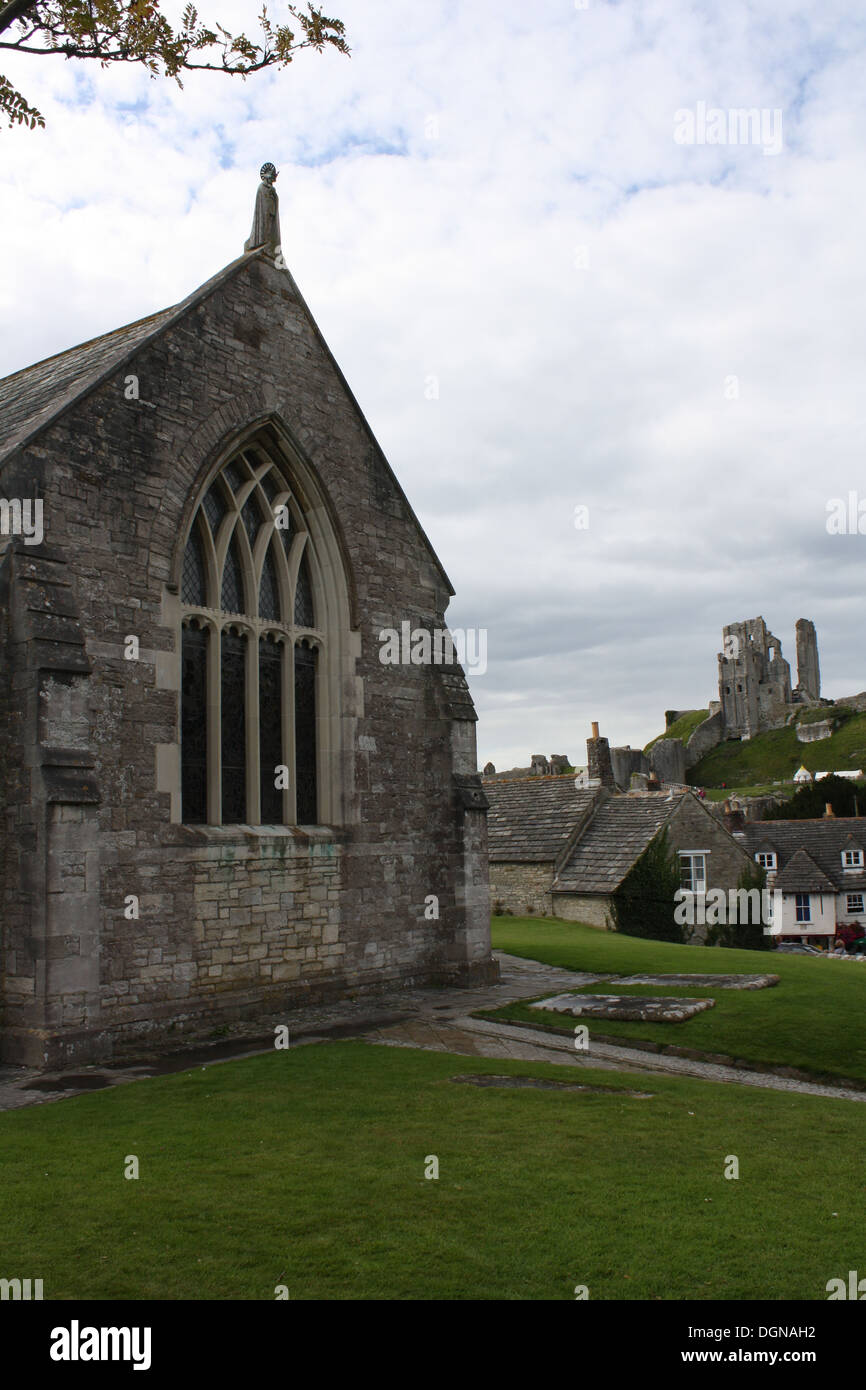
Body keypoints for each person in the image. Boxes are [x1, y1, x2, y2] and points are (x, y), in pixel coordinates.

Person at [245, 163, 282, 258]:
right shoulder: (261, 187)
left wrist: (273, 195)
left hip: (271, 212)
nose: (271, 180)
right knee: (264, 225)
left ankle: (270, 244)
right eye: (270, 178)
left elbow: (275, 200)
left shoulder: (272, 189)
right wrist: (270, 193)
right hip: (264, 212)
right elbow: (263, 201)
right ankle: (261, 241)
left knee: (270, 228)